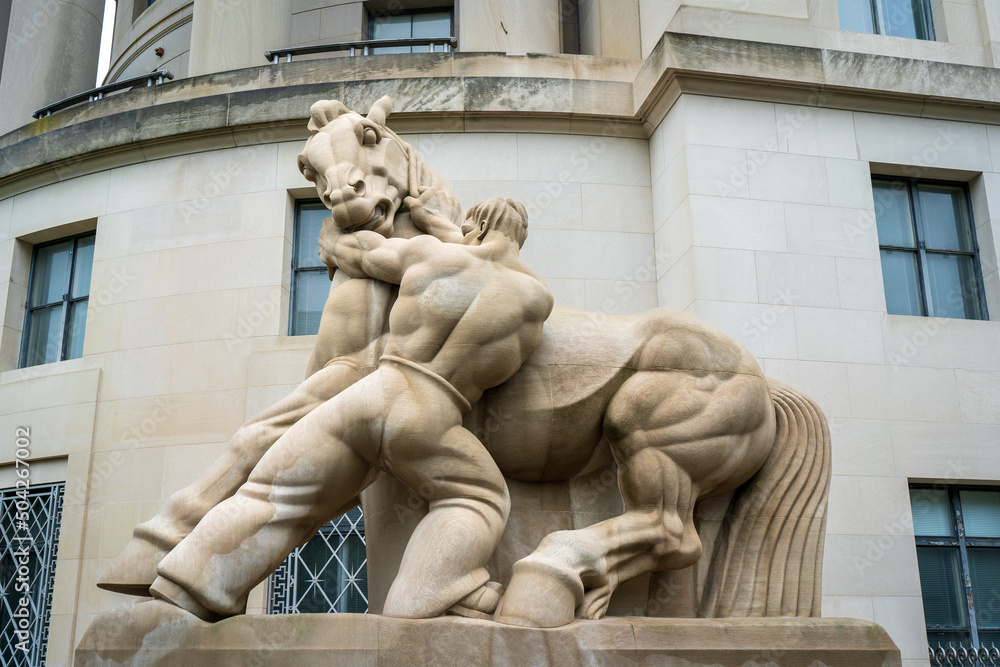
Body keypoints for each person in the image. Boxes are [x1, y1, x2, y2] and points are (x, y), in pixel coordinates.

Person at [148, 198, 554, 622]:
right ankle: (425, 591)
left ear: (479, 225)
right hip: (432, 412)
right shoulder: (534, 297)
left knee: (271, 492)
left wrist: (337, 235)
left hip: (367, 396)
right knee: (480, 496)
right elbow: (494, 274)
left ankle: (189, 582)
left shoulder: (430, 254)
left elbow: (355, 253)